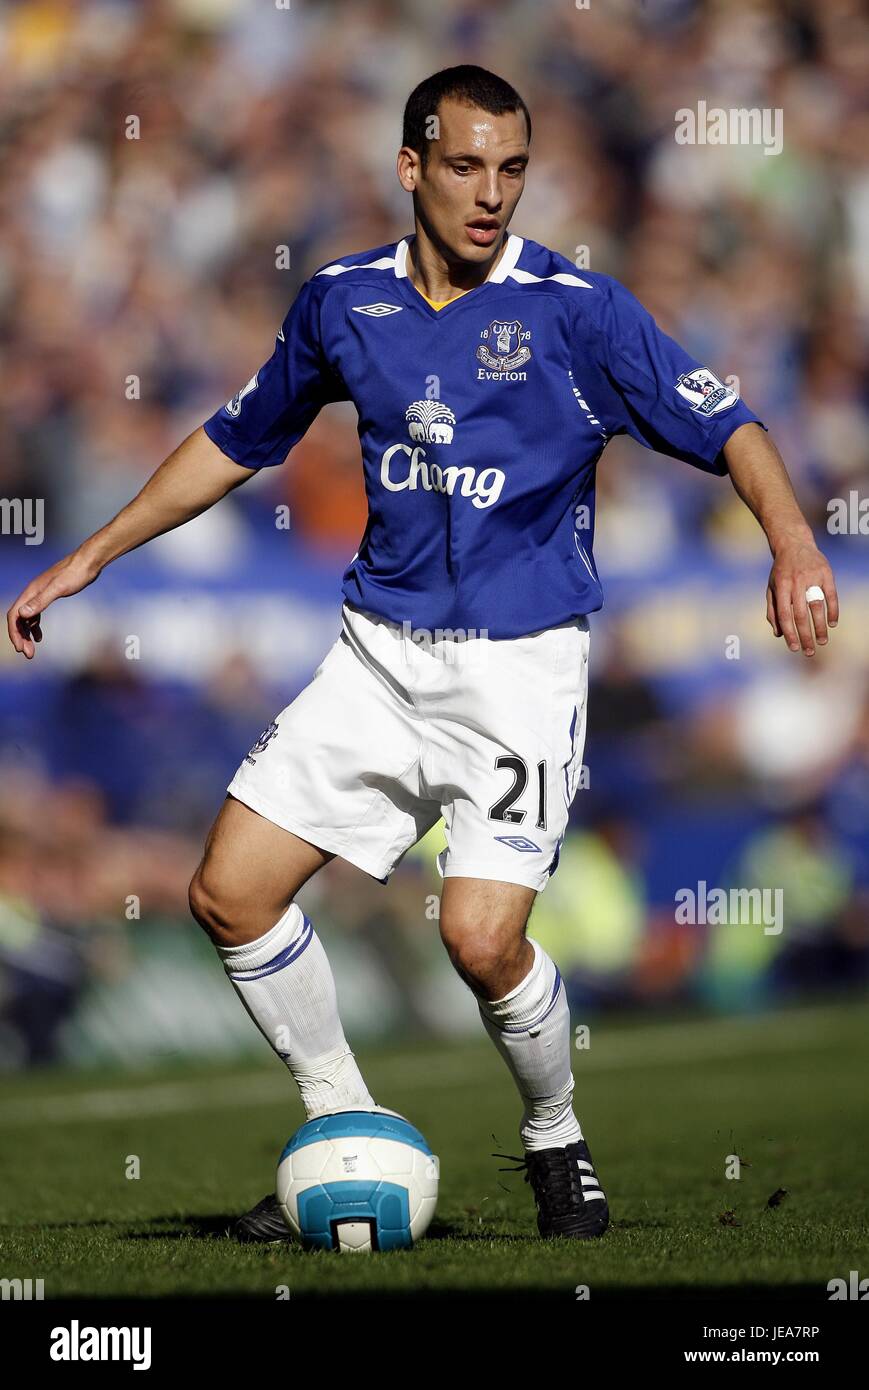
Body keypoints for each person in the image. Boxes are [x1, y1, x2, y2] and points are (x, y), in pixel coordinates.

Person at [7, 65, 839, 1243]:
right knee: (227, 893)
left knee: (478, 939)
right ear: (410, 168)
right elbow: (236, 438)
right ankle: (341, 1118)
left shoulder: (577, 310)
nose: (489, 192)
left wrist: (792, 544)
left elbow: (731, 424)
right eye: (463, 166)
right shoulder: (344, 301)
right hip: (377, 658)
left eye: (510, 168)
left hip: (517, 670)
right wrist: (93, 554)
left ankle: (554, 1136)